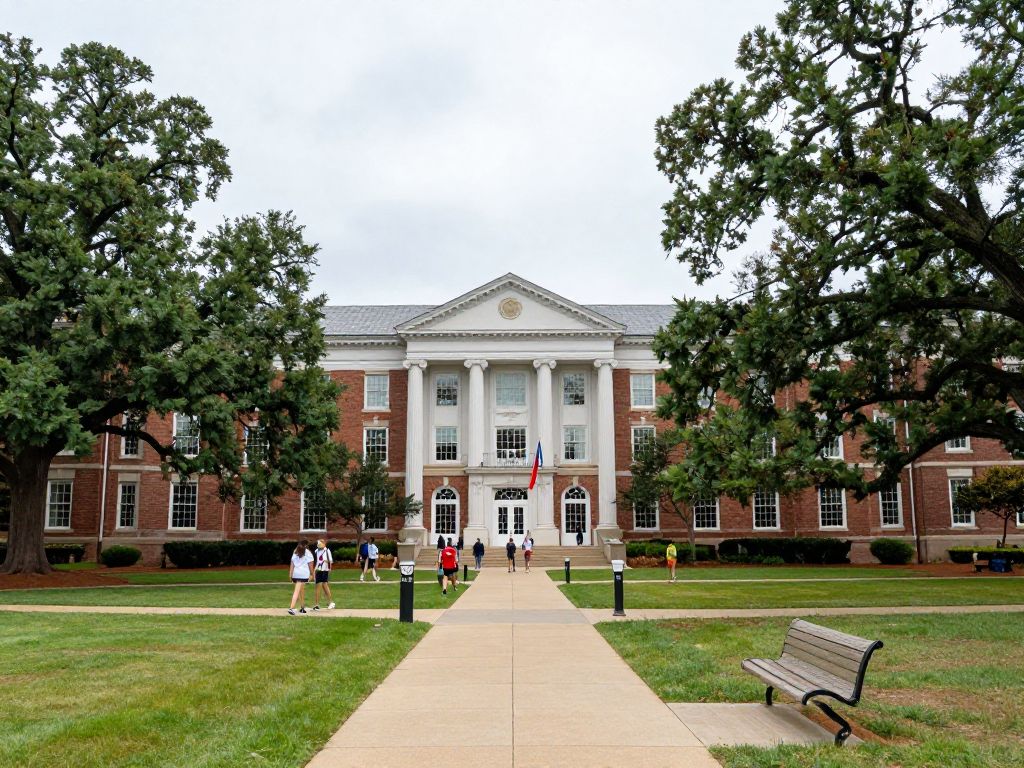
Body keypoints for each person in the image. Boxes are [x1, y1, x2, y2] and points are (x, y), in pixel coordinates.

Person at [287, 540, 314, 615]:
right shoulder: (308, 553)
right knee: (297, 591)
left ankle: (302, 607)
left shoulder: (295, 551)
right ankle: (291, 608)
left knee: (300, 590)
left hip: (296, 574)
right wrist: (312, 575)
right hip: (303, 574)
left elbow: (292, 564)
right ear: (306, 545)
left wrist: (290, 575)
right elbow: (310, 565)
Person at [313, 539, 336, 610]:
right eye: (318, 544)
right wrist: (314, 571)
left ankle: (318, 604)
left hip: (324, 570)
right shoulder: (316, 551)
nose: (319, 545)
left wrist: (329, 570)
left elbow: (330, 561)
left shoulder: (327, 551)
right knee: (322, 586)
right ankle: (330, 602)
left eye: (320, 543)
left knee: (321, 586)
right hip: (318, 570)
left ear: (324, 544)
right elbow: (316, 561)